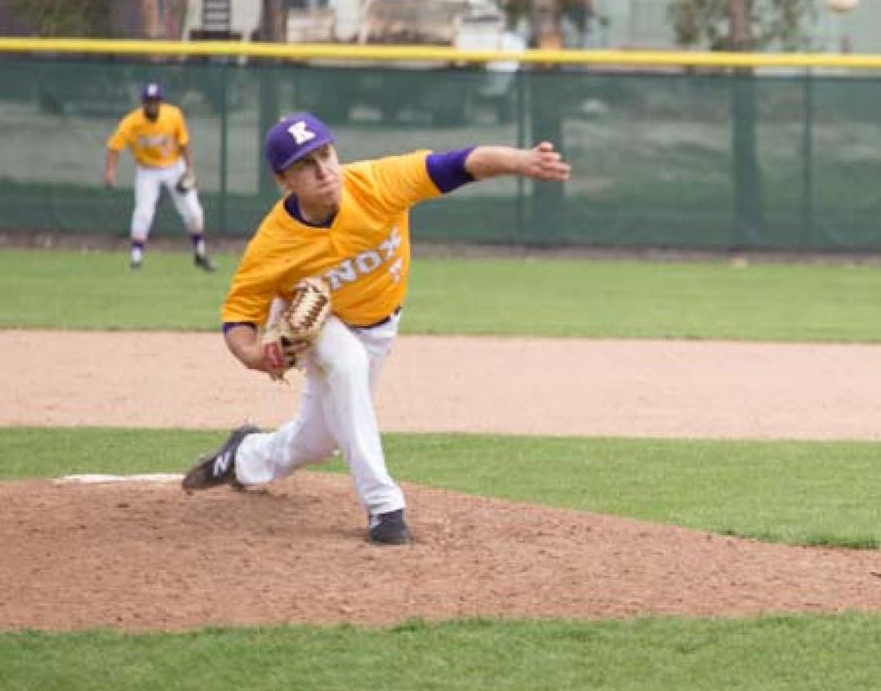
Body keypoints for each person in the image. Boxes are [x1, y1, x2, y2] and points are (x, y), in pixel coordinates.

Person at [181, 112, 571, 545]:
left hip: (381, 326)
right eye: (305, 165)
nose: (323, 170)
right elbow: (238, 315)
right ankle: (384, 506)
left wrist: (521, 160)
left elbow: (458, 163)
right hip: (317, 325)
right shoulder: (274, 243)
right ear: (283, 179)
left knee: (319, 442)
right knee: (346, 366)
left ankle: (243, 457)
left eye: (325, 154)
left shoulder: (377, 183)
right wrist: (254, 354)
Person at [104, 82, 212, 272]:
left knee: (194, 212)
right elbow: (114, 147)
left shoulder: (173, 115)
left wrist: (189, 169)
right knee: (144, 213)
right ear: (143, 103)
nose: (152, 105)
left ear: (161, 102)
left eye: (155, 101)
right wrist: (110, 172)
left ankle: (200, 253)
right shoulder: (131, 122)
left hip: (174, 166)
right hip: (147, 171)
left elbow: (184, 143)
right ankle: (136, 259)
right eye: (149, 101)